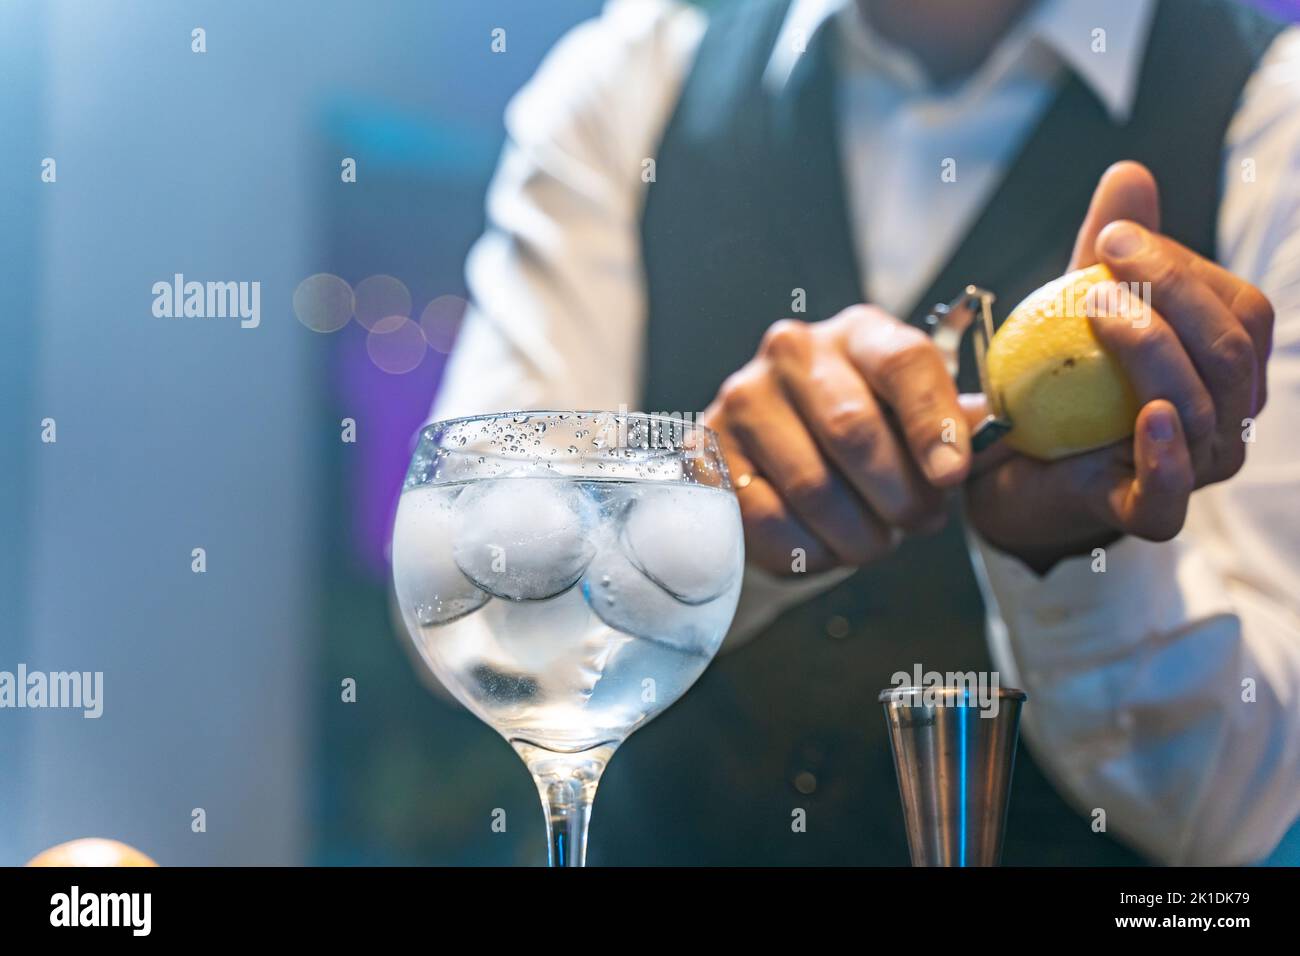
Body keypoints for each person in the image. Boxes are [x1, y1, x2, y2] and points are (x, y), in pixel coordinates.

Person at [432, 0, 1300, 864]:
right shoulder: (629, 78)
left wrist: (1074, 559)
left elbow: (1237, 810)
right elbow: (472, 601)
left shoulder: (1276, 112)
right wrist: (693, 523)